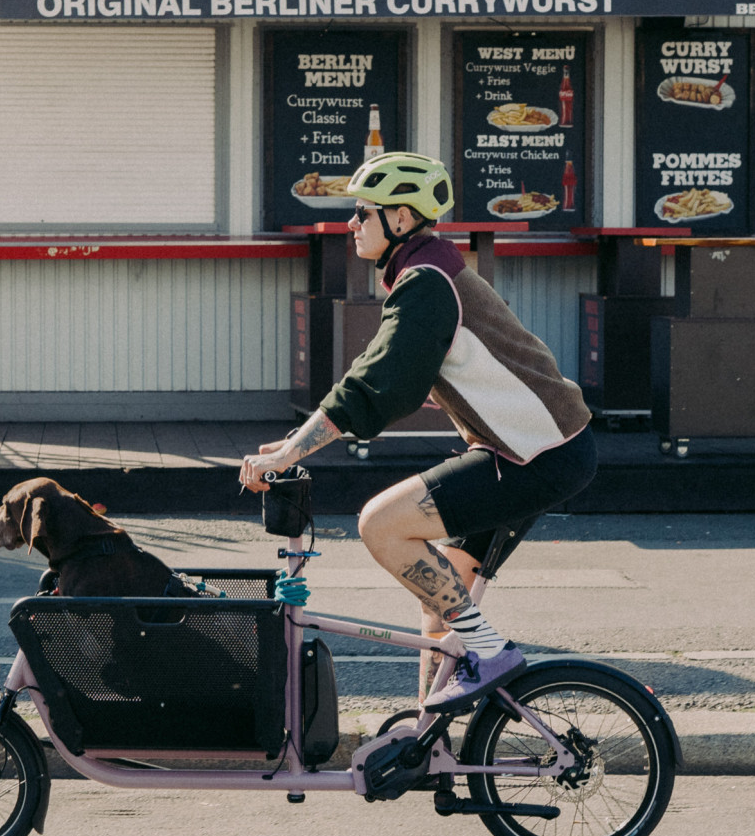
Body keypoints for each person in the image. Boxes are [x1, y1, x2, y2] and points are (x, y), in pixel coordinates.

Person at [239, 151, 597, 714]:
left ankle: (491, 653)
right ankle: (430, 746)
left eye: (363, 212)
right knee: (438, 603)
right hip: (539, 451)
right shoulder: (431, 271)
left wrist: (289, 451)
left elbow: (375, 381)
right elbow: (409, 374)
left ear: (400, 220)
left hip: (536, 458)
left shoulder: (427, 280)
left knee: (382, 525)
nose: (351, 224)